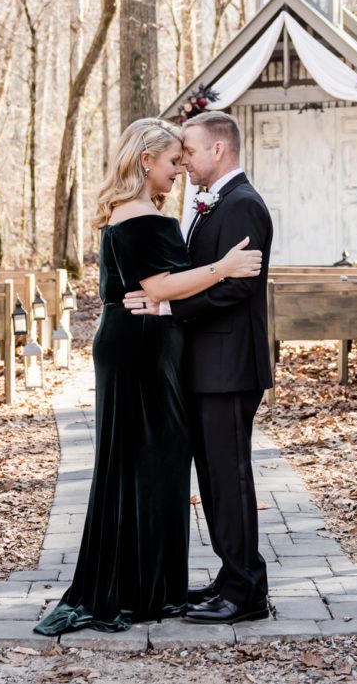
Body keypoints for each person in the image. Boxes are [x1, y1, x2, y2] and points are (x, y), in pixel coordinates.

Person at [34, 117, 262, 636]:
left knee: (138, 466)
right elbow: (159, 287)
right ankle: (143, 589)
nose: (179, 169)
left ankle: (147, 583)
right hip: (141, 351)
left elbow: (154, 288)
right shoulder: (141, 216)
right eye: (172, 161)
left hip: (133, 345)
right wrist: (223, 267)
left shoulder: (128, 211)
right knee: (152, 464)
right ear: (145, 161)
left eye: (184, 159)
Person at [124, 110, 274, 625]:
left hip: (230, 367)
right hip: (209, 366)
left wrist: (167, 307)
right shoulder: (213, 204)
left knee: (228, 479)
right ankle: (234, 576)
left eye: (189, 149)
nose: (183, 159)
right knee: (213, 478)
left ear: (219, 150)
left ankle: (247, 593)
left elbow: (237, 286)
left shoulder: (243, 206)